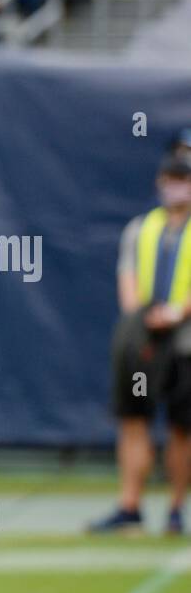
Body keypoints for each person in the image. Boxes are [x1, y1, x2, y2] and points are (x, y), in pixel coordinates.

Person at [90, 153, 191, 535]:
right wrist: (143, 318)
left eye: (184, 178)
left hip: (185, 340)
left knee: (182, 426)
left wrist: (177, 313)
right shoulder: (141, 229)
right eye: (171, 178)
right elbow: (128, 282)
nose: (176, 185)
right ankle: (130, 506)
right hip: (144, 338)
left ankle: (177, 509)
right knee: (133, 419)